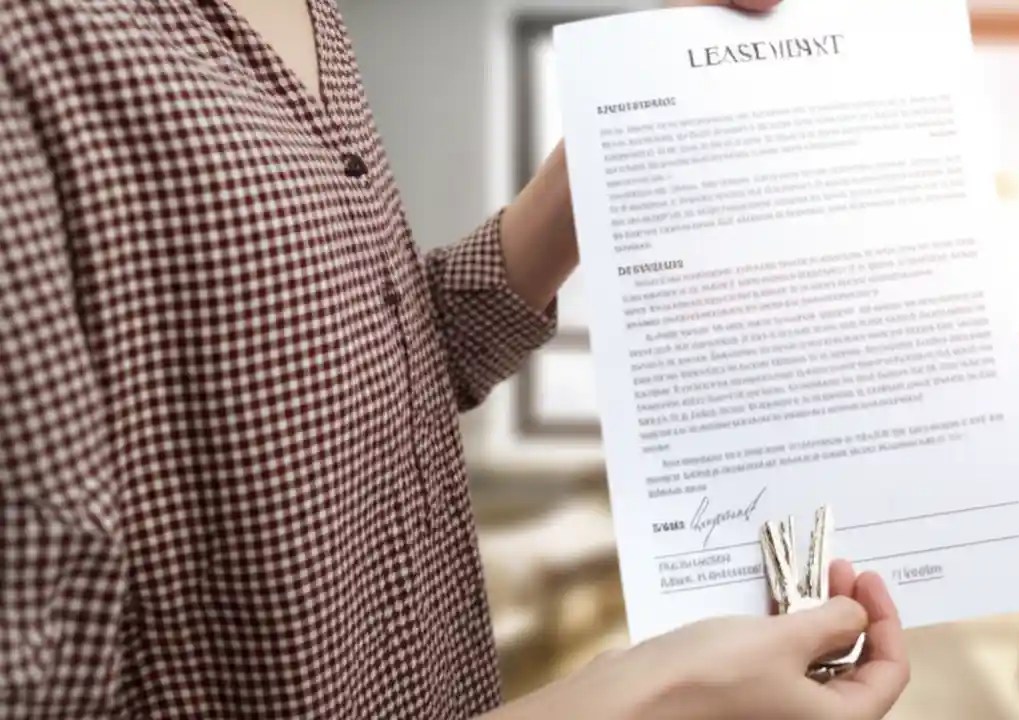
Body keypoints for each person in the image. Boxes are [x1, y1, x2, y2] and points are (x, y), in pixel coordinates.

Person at [0, 0, 910, 717]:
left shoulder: (316, 21)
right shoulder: (32, 49)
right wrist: (641, 702)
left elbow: (371, 365)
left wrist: (621, 134)